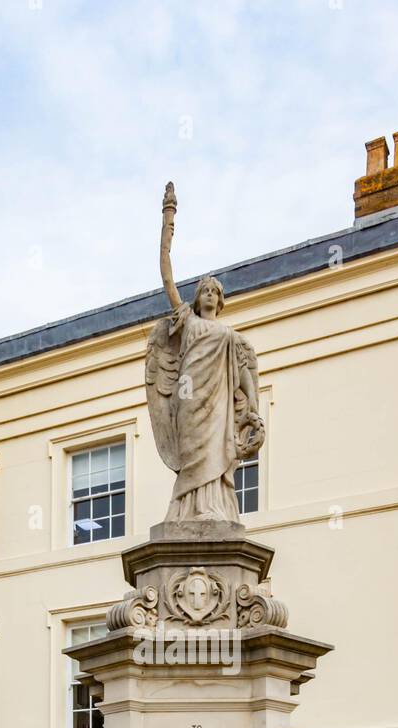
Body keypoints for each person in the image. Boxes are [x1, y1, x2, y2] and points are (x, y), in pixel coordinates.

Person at [145, 182, 265, 523]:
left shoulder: (230, 336)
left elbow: (244, 374)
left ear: (221, 300)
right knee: (192, 455)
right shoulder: (187, 321)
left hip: (219, 407)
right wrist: (167, 224)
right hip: (189, 399)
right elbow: (167, 277)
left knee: (216, 452)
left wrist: (253, 406)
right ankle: (185, 508)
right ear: (197, 298)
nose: (209, 294)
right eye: (204, 290)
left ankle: (215, 508)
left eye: (215, 291)